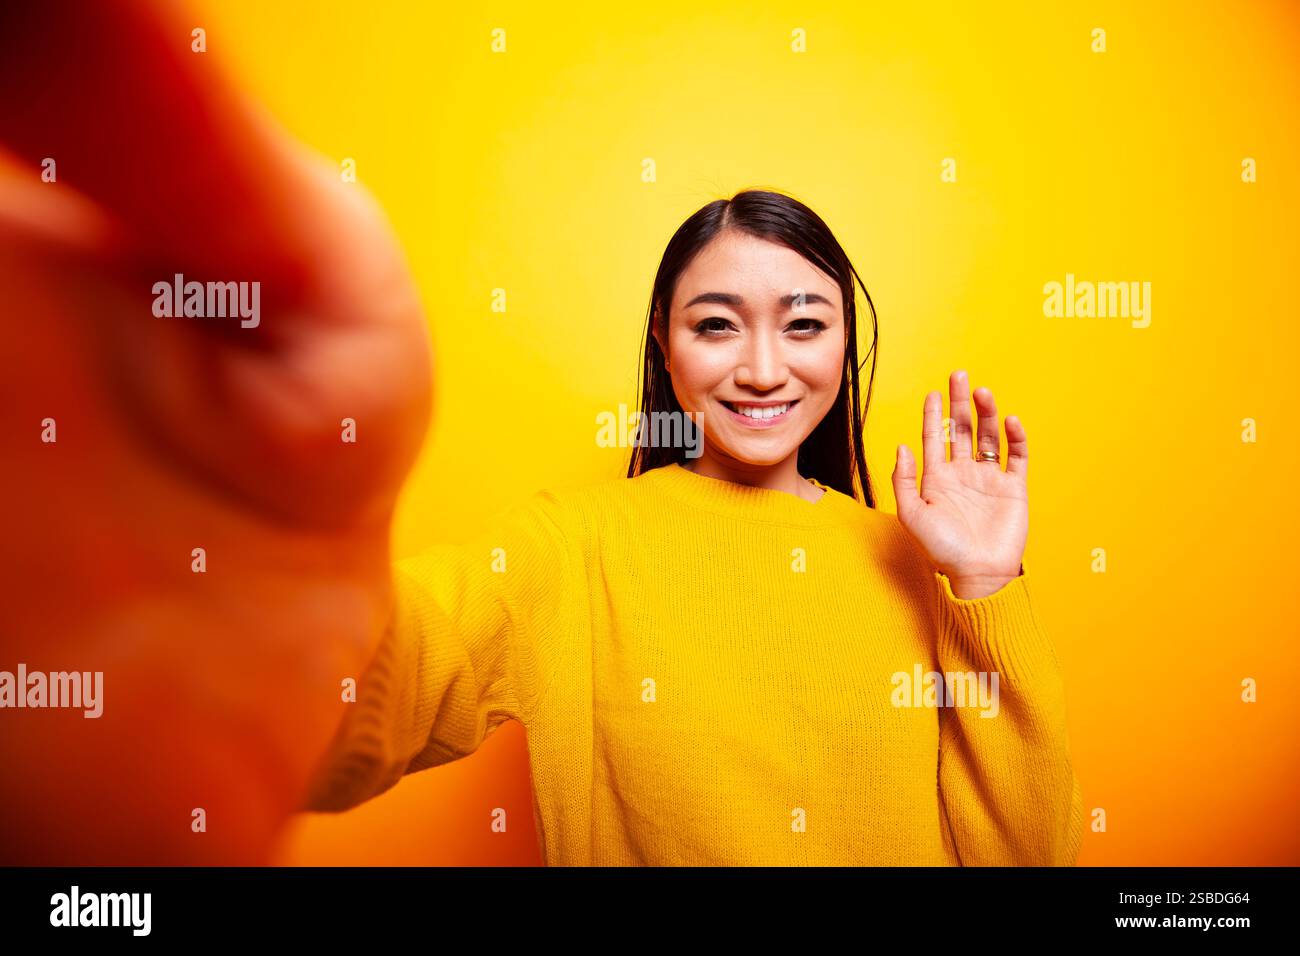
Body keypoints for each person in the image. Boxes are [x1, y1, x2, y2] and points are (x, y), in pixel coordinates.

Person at [0, 1, 1081, 865]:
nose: (762, 366)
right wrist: (239, 603)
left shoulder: (916, 571)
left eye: (804, 324)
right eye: (717, 324)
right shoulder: (572, 550)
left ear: (845, 347)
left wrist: (986, 586)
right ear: (664, 346)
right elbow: (373, 698)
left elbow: (1026, 860)